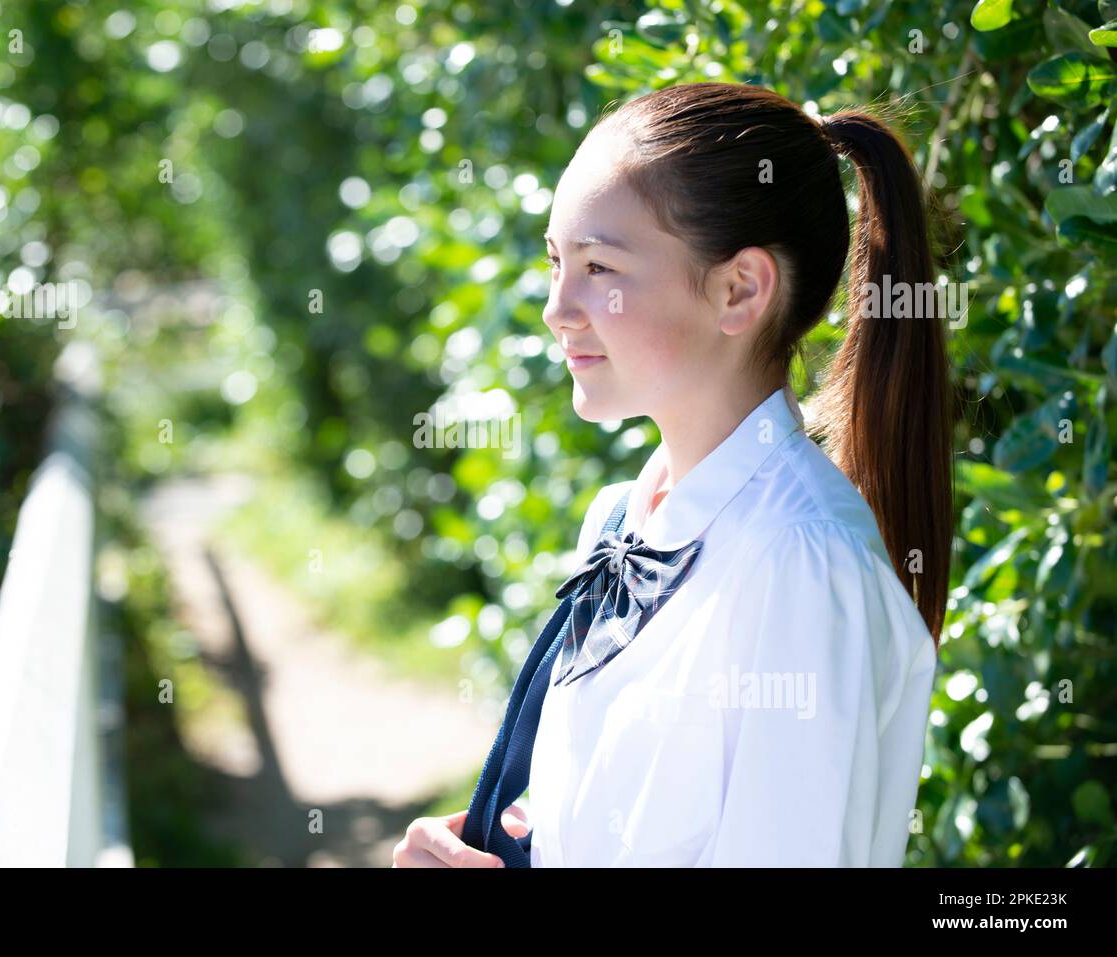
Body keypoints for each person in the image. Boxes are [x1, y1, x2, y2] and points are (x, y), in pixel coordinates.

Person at [392, 81, 950, 867]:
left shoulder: (798, 564)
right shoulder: (625, 519)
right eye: (556, 261)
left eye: (599, 266)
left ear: (739, 290)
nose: (557, 307)